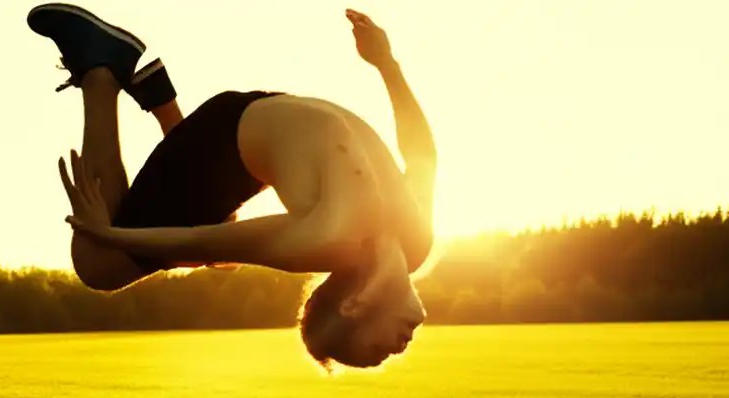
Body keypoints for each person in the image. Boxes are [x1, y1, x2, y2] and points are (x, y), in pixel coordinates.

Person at [27, 4, 437, 369]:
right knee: (100, 265)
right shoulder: (409, 244)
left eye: (378, 351)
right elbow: (421, 152)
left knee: (206, 253)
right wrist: (386, 63)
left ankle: (163, 106)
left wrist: (106, 230)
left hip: (230, 137)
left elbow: (203, 241)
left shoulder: (326, 243)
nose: (399, 350)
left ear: (352, 306)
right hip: (241, 134)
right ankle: (102, 68)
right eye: (378, 354)